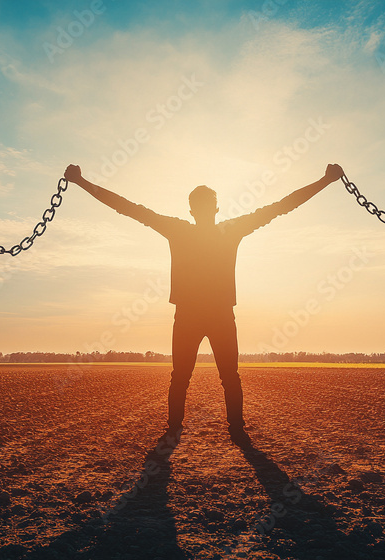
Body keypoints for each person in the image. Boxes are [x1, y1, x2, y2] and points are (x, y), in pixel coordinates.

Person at [63, 163, 345, 443]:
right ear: (216, 209)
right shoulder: (230, 230)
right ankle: (236, 430)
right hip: (220, 314)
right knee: (228, 377)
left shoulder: (178, 229)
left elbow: (128, 208)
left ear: (191, 211)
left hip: (188, 314)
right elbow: (282, 206)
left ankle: (175, 429)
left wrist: (81, 182)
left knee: (181, 378)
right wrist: (325, 181)